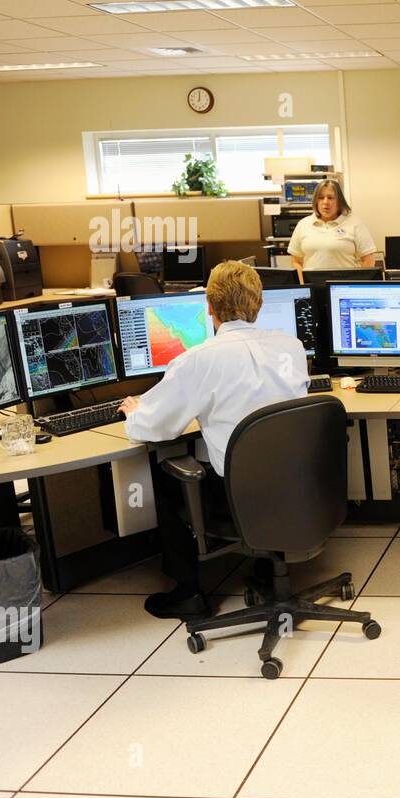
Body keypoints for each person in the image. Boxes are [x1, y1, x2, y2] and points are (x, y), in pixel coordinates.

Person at [120, 261, 310, 620]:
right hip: (297, 488)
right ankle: (268, 568)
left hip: (239, 500)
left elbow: (154, 427)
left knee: (165, 468)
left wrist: (134, 411)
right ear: (260, 303)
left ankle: (188, 592)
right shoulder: (292, 347)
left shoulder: (198, 360)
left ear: (208, 306)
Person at [286, 179, 378, 274]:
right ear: (316, 201)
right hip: (312, 287)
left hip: (343, 287)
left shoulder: (355, 223)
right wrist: (303, 285)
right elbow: (296, 261)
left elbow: (368, 260)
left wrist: (357, 285)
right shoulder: (303, 224)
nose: (325, 202)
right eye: (321, 197)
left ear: (339, 201)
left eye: (330, 198)